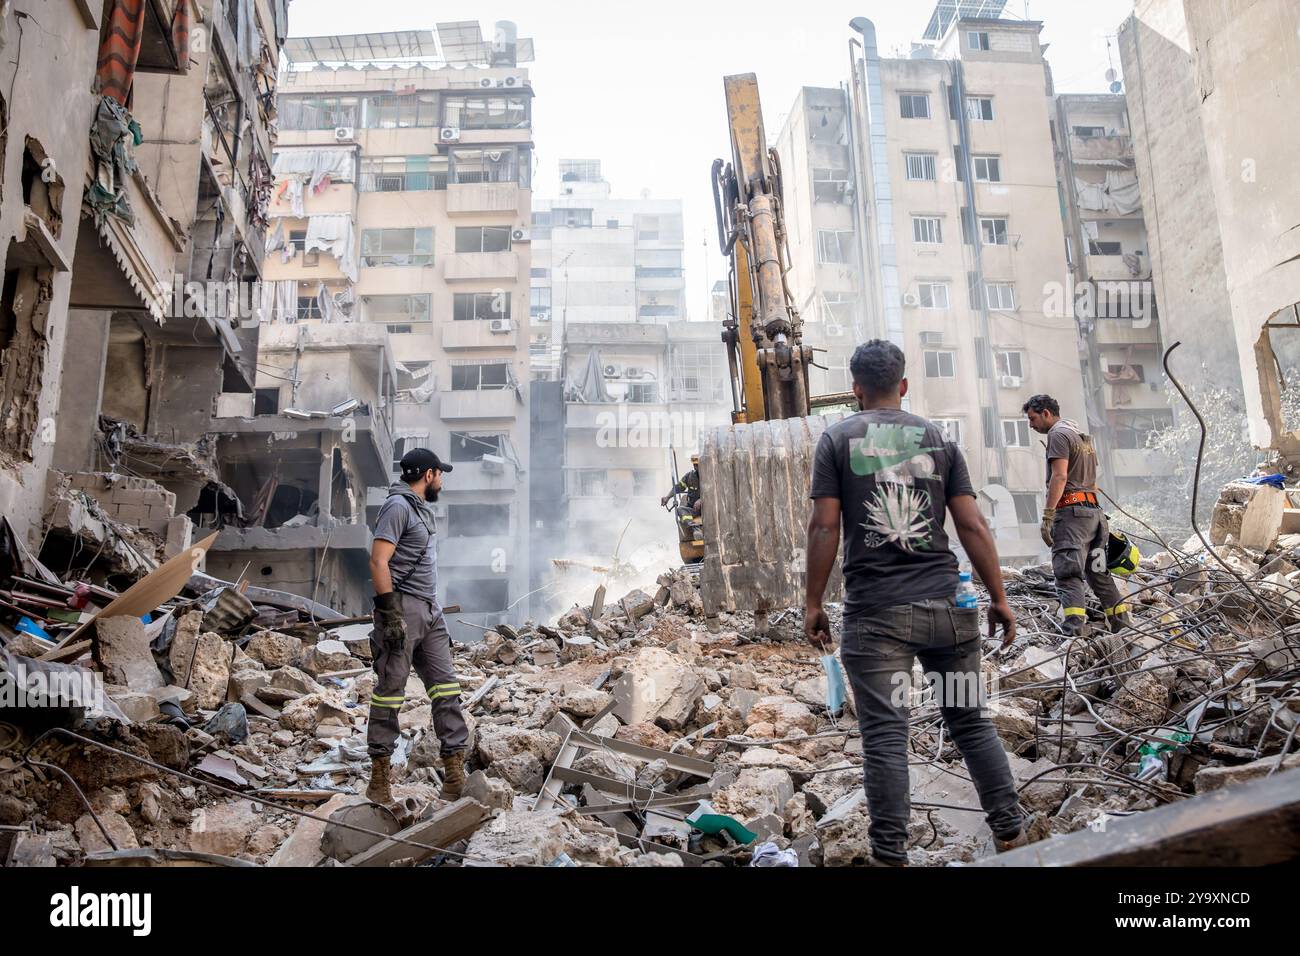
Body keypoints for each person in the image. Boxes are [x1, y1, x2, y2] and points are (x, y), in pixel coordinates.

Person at [804, 339, 1029, 865]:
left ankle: (890, 857)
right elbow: (971, 523)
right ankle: (1014, 836)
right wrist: (998, 597)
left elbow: (824, 525)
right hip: (949, 610)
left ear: (855, 388)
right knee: (971, 721)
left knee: (885, 736)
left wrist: (813, 602)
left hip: (877, 616)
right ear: (903, 385)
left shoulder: (837, 438)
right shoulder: (939, 440)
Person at [366, 448, 469, 804]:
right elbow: (379, 561)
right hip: (403, 610)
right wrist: (391, 614)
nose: (442, 480)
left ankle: (455, 775)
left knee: (445, 689)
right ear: (429, 474)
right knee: (391, 691)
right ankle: (380, 781)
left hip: (429, 610)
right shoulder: (398, 507)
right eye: (440, 473)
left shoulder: (417, 509)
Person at [1022, 394, 1130, 637]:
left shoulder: (1058, 435)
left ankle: (1073, 634)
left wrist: (1048, 514)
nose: (1031, 425)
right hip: (1094, 514)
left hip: (1072, 516)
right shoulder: (1081, 436)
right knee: (1098, 573)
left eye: (1032, 418)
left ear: (1046, 413)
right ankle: (1124, 628)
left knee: (1068, 571)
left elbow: (1059, 477)